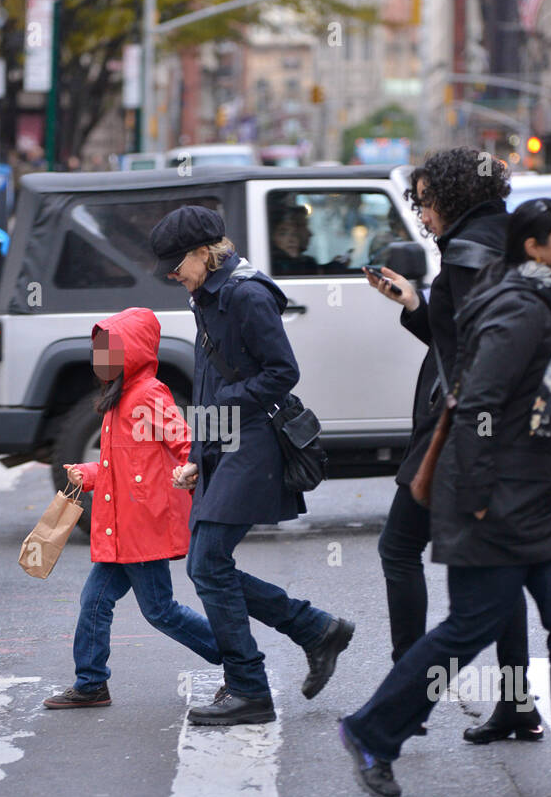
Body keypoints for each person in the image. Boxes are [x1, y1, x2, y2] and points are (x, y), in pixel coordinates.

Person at [340, 197, 551, 797]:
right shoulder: (518, 310)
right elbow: (477, 408)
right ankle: (372, 730)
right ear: (534, 248)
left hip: (546, 491)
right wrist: (477, 495)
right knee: (470, 627)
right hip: (495, 494)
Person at [150, 204, 354, 727]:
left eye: (178, 264)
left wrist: (220, 415)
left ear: (203, 252)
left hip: (256, 442)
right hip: (226, 442)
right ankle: (313, 630)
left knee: (206, 564)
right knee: (207, 564)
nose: (174, 275)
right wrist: (199, 454)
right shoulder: (205, 293)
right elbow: (207, 382)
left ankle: (250, 687)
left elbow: (282, 372)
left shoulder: (245, 292)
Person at [365, 147, 541, 744]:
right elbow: (462, 340)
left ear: (452, 198)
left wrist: (477, 445)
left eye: (425, 201)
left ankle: (404, 699)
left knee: (398, 549)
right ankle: (516, 706)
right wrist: (417, 305)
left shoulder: (467, 259)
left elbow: (480, 361)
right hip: (491, 432)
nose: (423, 214)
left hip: (459, 434)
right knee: (497, 567)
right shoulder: (505, 240)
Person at [43, 307, 223, 708]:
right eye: (98, 351)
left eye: (108, 351)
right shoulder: (118, 400)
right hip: (120, 532)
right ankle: (90, 684)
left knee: (161, 611)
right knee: (95, 602)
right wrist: (87, 474)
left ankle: (236, 658)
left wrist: (190, 470)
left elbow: (184, 443)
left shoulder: (147, 395)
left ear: (134, 353)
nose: (99, 360)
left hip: (142, 530)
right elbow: (118, 465)